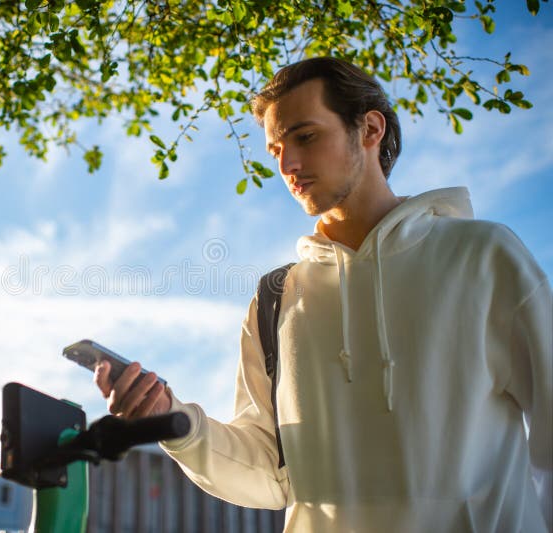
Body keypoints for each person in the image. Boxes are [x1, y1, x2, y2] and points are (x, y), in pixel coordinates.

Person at [94, 57, 552, 532]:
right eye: (275, 149)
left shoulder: (483, 256)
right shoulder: (276, 298)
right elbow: (269, 473)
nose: (287, 164)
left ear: (370, 129)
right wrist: (172, 419)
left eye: (305, 137)